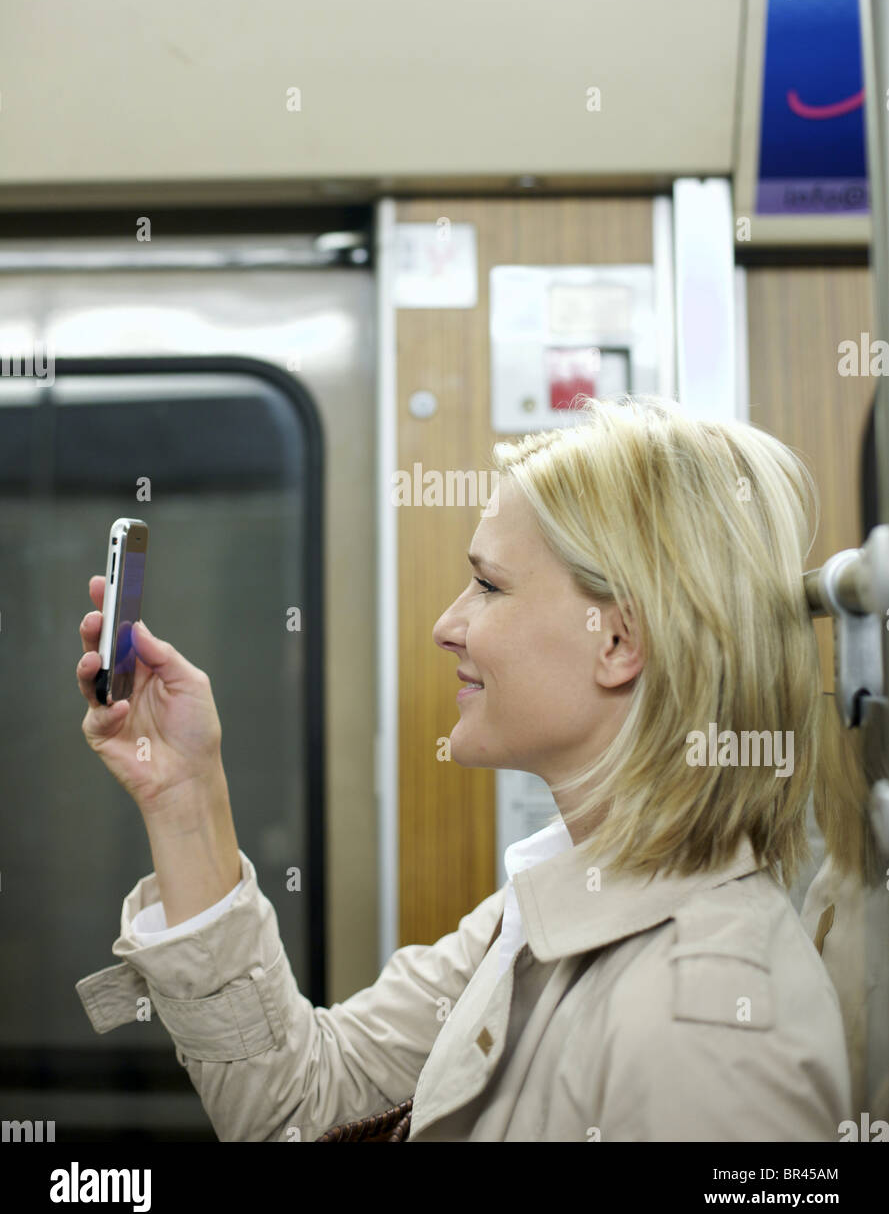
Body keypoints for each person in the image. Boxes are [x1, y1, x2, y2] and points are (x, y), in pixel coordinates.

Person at [74, 393, 865, 1141]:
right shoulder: (547, 911)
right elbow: (296, 1103)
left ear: (618, 642)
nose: (446, 623)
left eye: (487, 584)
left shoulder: (707, 1032)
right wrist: (184, 793)